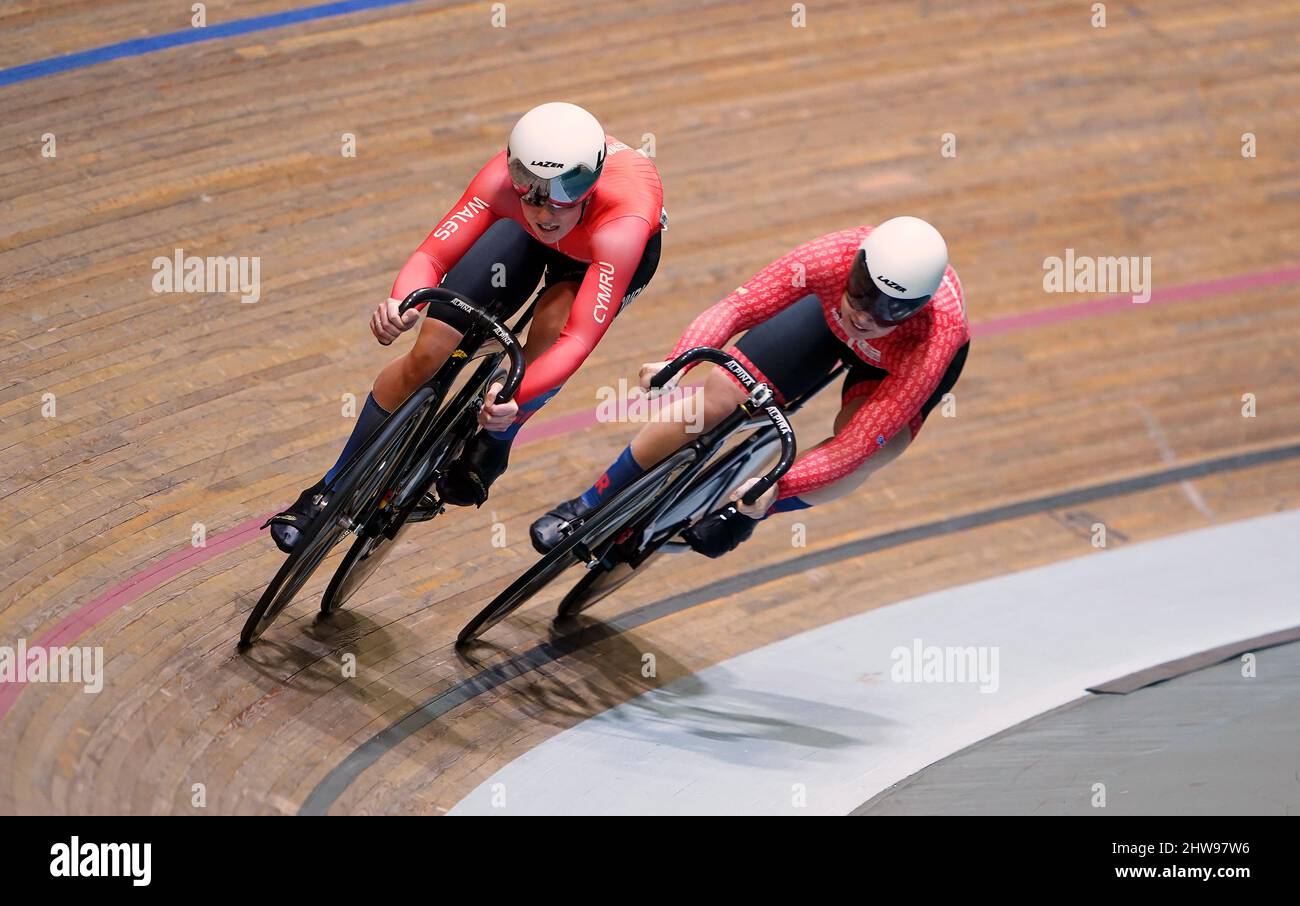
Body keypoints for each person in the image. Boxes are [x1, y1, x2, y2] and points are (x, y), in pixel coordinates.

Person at [265, 102, 665, 553]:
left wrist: (512, 398)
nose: (546, 206)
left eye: (565, 189)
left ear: (591, 181)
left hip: (594, 258)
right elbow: (432, 258)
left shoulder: (624, 221)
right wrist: (403, 303)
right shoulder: (503, 187)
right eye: (531, 187)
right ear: (513, 170)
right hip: (525, 240)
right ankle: (330, 488)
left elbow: (578, 340)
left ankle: (498, 438)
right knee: (429, 351)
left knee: (551, 331)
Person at [530, 216, 969, 557]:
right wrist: (678, 360)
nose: (866, 316)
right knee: (717, 398)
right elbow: (739, 308)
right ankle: (590, 502)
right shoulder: (832, 255)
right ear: (855, 265)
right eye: (861, 291)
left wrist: (775, 486)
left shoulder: (936, 335)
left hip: (890, 369)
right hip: (823, 323)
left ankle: (751, 510)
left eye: (889, 310)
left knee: (868, 456)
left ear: (917, 309)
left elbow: (853, 446)